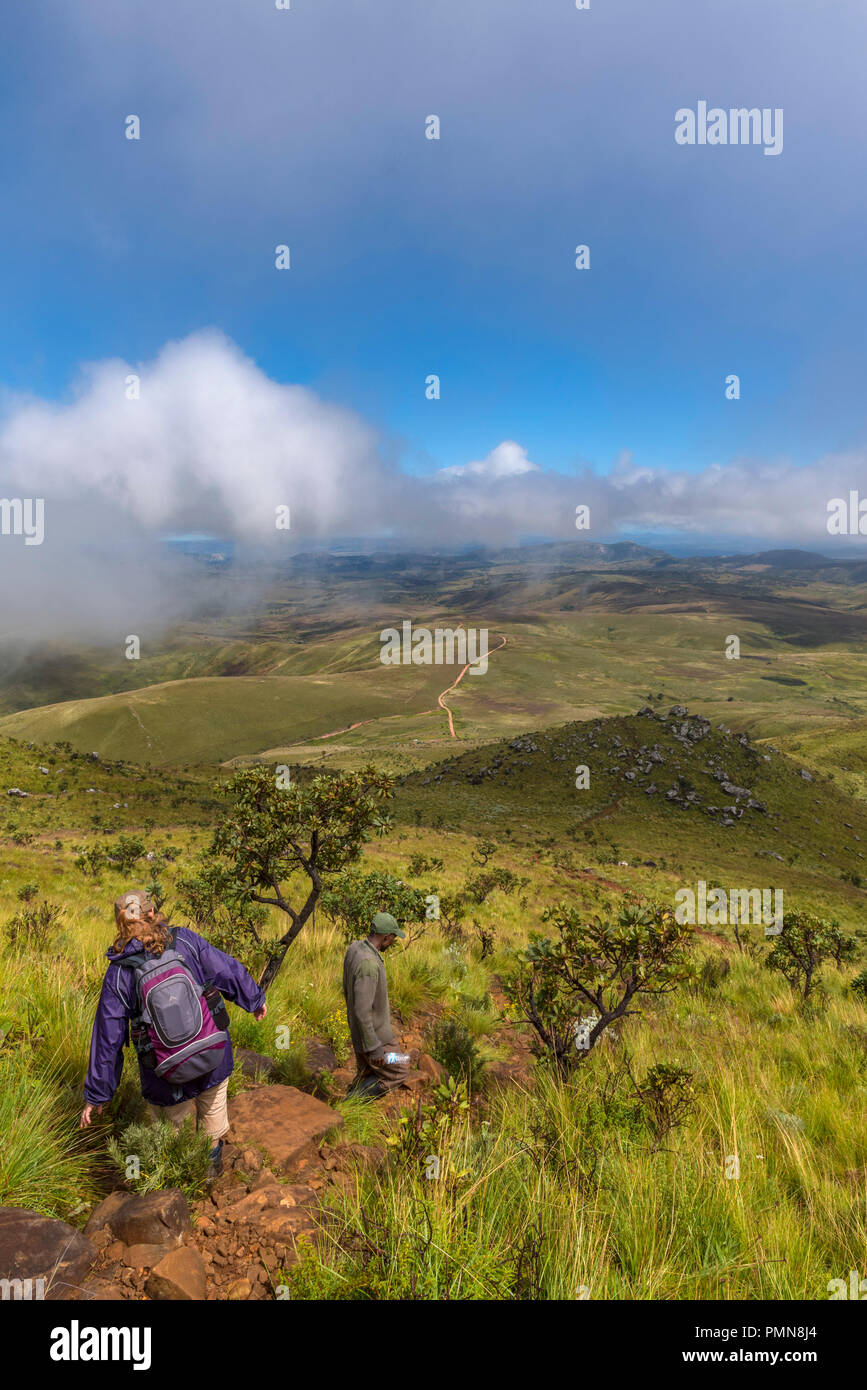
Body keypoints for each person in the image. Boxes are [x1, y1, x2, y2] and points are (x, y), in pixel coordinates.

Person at [80, 889, 267, 1178]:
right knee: (212, 1127)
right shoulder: (185, 940)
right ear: (152, 913)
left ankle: (175, 1188)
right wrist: (254, 999)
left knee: (169, 1134)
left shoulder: (119, 972)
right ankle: (208, 1178)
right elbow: (225, 969)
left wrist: (98, 1093)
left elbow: (108, 1036)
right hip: (211, 1054)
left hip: (163, 1073)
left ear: (120, 924)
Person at [342, 911, 409, 1098]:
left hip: (359, 1032)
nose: (394, 941)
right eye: (393, 937)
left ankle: (352, 1109)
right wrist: (374, 1048)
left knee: (367, 1072)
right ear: (386, 937)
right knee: (401, 1066)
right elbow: (362, 1011)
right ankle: (352, 1101)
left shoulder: (355, 948)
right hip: (377, 1038)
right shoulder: (369, 965)